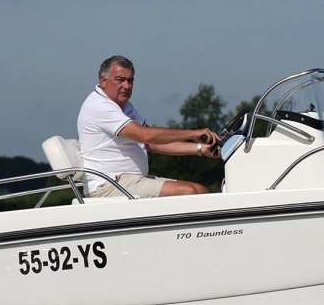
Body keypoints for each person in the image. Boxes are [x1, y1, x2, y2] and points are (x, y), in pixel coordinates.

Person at [77, 55, 222, 198]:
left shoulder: (124, 106)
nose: (126, 86)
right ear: (103, 81)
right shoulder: (99, 106)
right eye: (120, 80)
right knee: (188, 191)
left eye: (130, 80)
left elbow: (151, 143)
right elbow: (146, 135)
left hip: (130, 180)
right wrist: (193, 134)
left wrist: (201, 149)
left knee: (200, 190)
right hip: (108, 185)